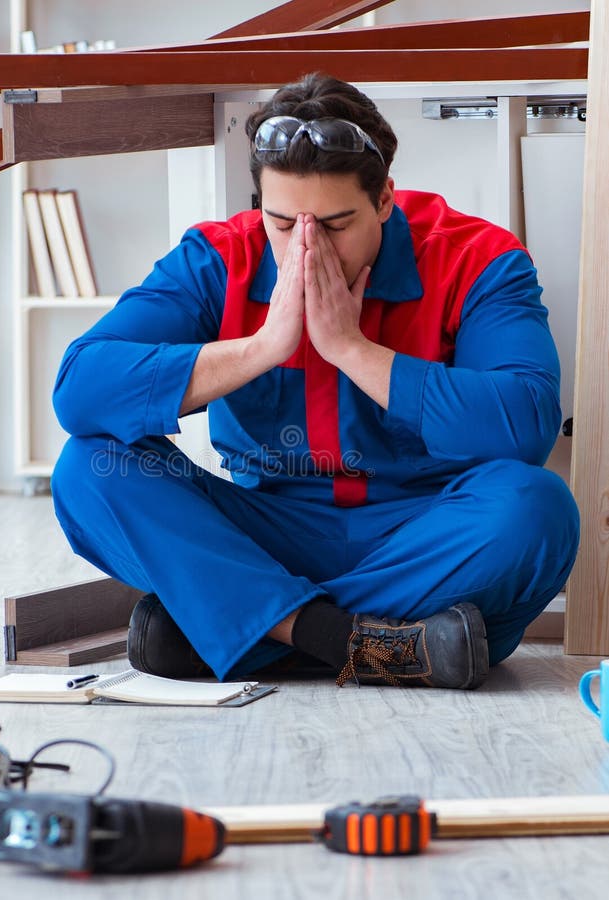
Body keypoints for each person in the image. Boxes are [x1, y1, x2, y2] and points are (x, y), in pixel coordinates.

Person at [51, 73, 579, 690]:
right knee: (90, 468)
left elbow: (525, 424)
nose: (305, 248)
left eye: (334, 224)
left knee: (536, 508)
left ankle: (244, 626)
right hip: (268, 529)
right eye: (281, 223)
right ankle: (372, 645)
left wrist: (352, 350)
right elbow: (79, 388)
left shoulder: (478, 258)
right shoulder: (217, 258)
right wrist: (259, 348)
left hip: (424, 531)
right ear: (258, 207)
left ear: (385, 198)